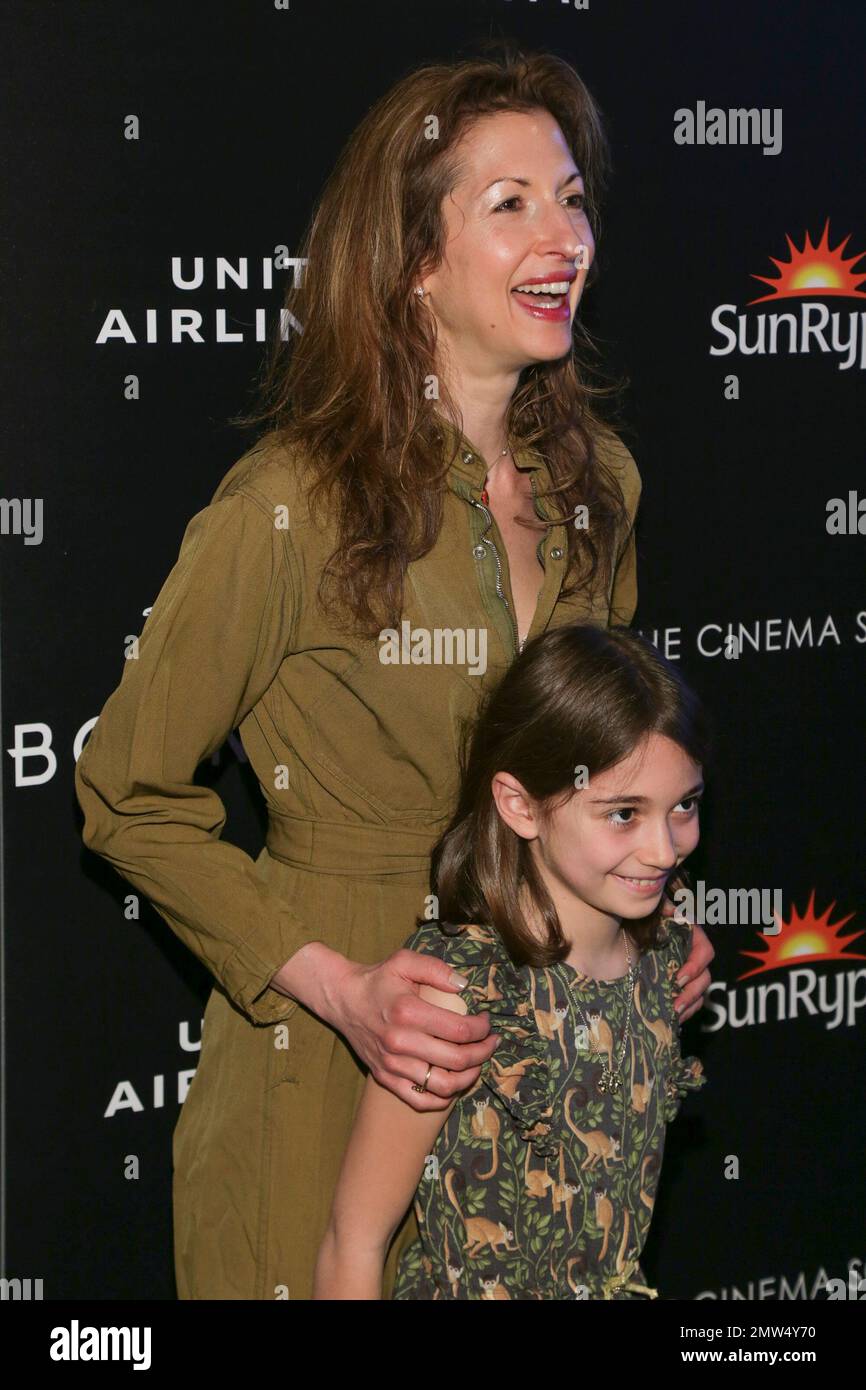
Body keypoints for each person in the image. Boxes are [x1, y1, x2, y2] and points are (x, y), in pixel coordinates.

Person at [73, 46, 714, 1302]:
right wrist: (335, 982)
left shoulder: (603, 491)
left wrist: (648, 923)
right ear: (412, 259)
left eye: (571, 197)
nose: (563, 235)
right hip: (329, 1073)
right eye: (511, 203)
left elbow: (597, 767)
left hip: (533, 1118)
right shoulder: (287, 509)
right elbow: (120, 790)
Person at [315, 623, 710, 1299]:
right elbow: (354, 1241)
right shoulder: (459, 989)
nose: (664, 848)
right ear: (520, 805)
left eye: (685, 807)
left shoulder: (664, 960)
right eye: (623, 813)